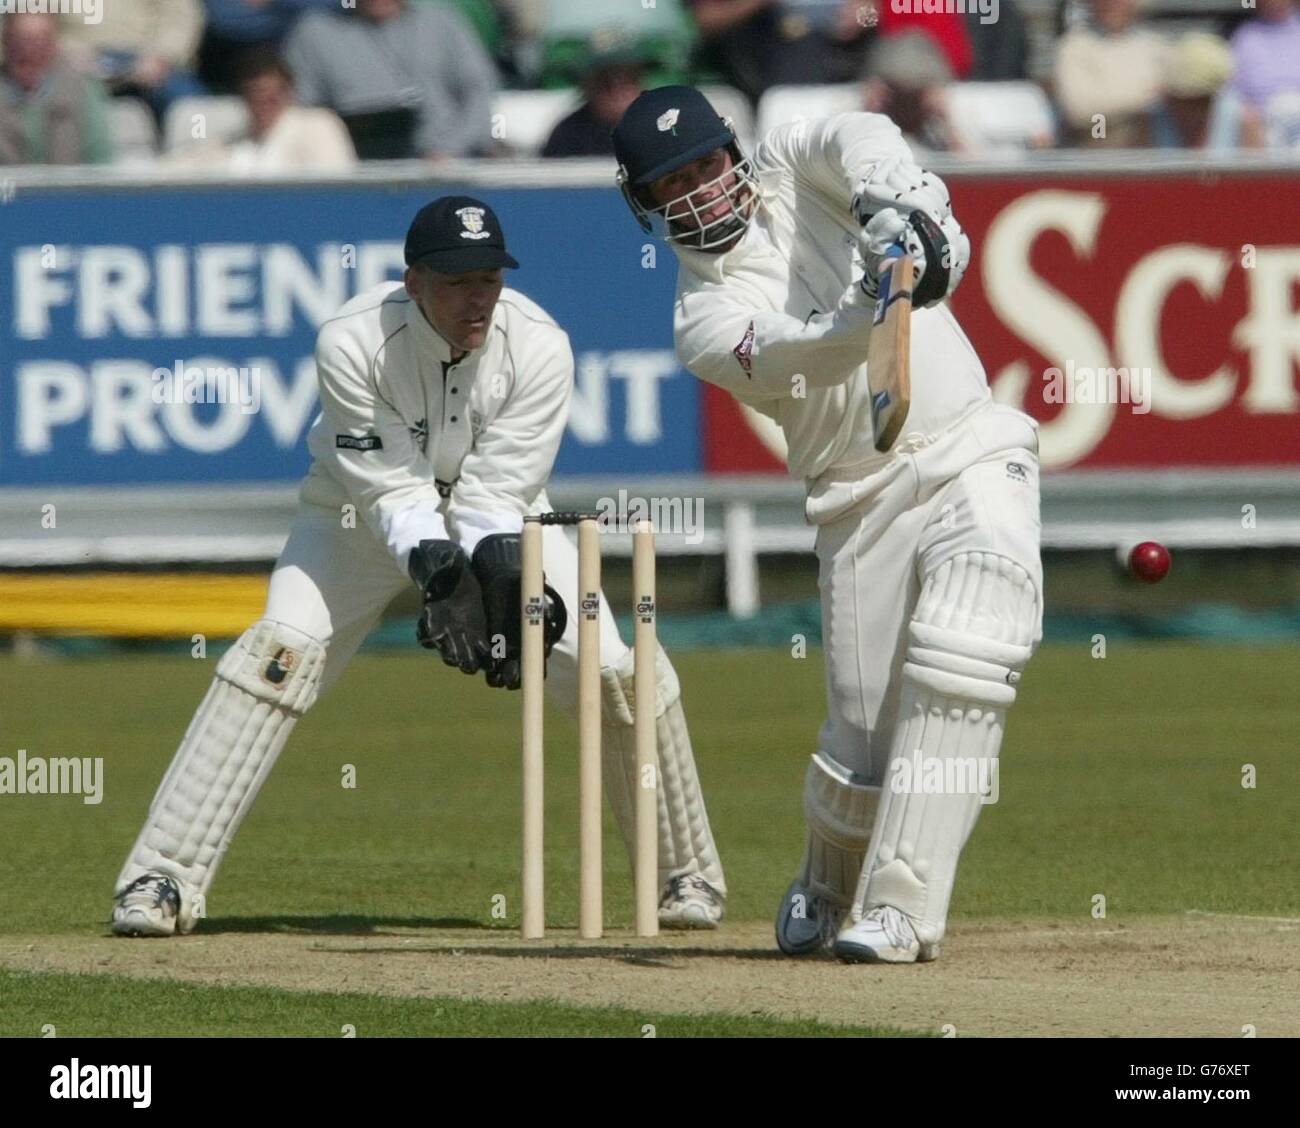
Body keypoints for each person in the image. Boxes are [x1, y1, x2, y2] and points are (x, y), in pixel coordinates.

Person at [111, 196, 727, 938]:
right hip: (355, 519)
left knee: (615, 669)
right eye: (458, 280)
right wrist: (443, 578)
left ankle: (682, 871)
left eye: (490, 279)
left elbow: (497, 492)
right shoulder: (350, 341)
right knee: (277, 655)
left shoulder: (540, 345)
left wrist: (501, 580)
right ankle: (162, 876)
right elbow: (392, 492)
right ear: (414, 282)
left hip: (503, 515)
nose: (479, 299)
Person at [612, 88, 1042, 963]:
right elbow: (794, 353)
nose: (699, 189)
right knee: (863, 738)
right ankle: (827, 882)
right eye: (672, 183)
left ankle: (901, 907)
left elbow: (859, 132)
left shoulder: (792, 167)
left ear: (733, 153)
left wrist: (905, 208)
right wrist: (877, 297)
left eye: (705, 165)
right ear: (647, 205)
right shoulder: (699, 322)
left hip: (971, 445)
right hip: (856, 497)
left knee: (969, 641)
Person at [283, 0, 497, 160]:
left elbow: (479, 92)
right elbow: (300, 112)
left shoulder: (442, 22)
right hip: (354, 173)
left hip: (447, 165)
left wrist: (448, 151)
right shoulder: (316, 32)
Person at [167, 48, 356, 174]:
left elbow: (336, 185)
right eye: (254, 97)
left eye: (271, 97)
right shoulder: (234, 142)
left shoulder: (318, 126)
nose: (263, 104)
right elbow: (177, 170)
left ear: (288, 93)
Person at [0, 12, 112, 166]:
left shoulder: (82, 92)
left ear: (54, 46)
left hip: (71, 187)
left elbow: (101, 162)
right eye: (20, 41)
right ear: (5, 43)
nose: (29, 50)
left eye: (39, 41)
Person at [1053, 0, 1165, 148]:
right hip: (1097, 144)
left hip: (1148, 144)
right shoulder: (1074, 46)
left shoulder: (1152, 45)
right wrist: (1145, 96)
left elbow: (1171, 87)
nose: (1111, 4)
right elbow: (1080, 109)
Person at [541, 43, 649, 159]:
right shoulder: (569, 135)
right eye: (607, 81)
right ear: (588, 86)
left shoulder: (656, 125)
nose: (620, 91)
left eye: (630, 79)